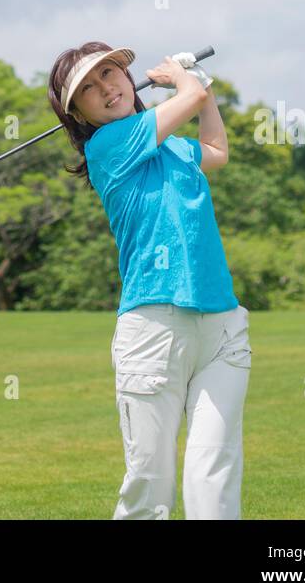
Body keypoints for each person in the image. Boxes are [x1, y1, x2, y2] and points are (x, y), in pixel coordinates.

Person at [47, 41, 251, 520]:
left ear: (125, 76)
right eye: (89, 89)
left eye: (110, 74)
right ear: (79, 113)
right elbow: (188, 101)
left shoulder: (174, 147)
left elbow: (217, 150)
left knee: (214, 469)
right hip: (153, 327)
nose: (105, 89)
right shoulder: (108, 146)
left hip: (220, 321)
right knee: (150, 483)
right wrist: (183, 82)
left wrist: (204, 89)